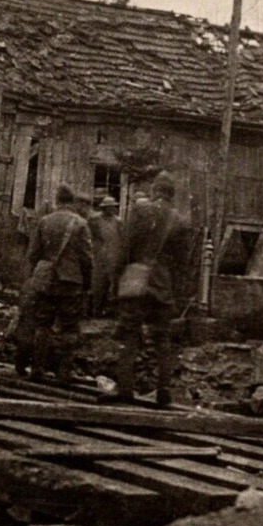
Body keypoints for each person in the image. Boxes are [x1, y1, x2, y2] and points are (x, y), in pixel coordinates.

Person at [106, 171, 191, 407]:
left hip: (136, 281)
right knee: (162, 339)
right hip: (162, 285)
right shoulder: (181, 221)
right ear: (172, 195)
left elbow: (125, 249)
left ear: (154, 191)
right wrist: (174, 289)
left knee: (129, 335)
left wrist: (116, 277)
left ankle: (125, 390)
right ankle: (164, 392)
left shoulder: (140, 212)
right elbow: (183, 264)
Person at [15, 184, 92, 383]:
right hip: (71, 281)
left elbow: (33, 254)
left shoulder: (44, 221)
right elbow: (86, 258)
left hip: (45, 280)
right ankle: (64, 372)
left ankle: (37, 369)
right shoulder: (81, 224)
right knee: (69, 327)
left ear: (57, 200)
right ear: (72, 202)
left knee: (42, 325)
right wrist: (87, 283)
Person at [89, 195, 123, 317]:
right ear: (104, 208)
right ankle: (96, 311)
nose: (112, 209)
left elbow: (122, 239)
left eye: (113, 207)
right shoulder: (94, 220)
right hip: (99, 257)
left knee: (114, 285)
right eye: (109, 207)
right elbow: (91, 237)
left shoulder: (118, 222)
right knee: (98, 285)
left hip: (114, 256)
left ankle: (112, 312)